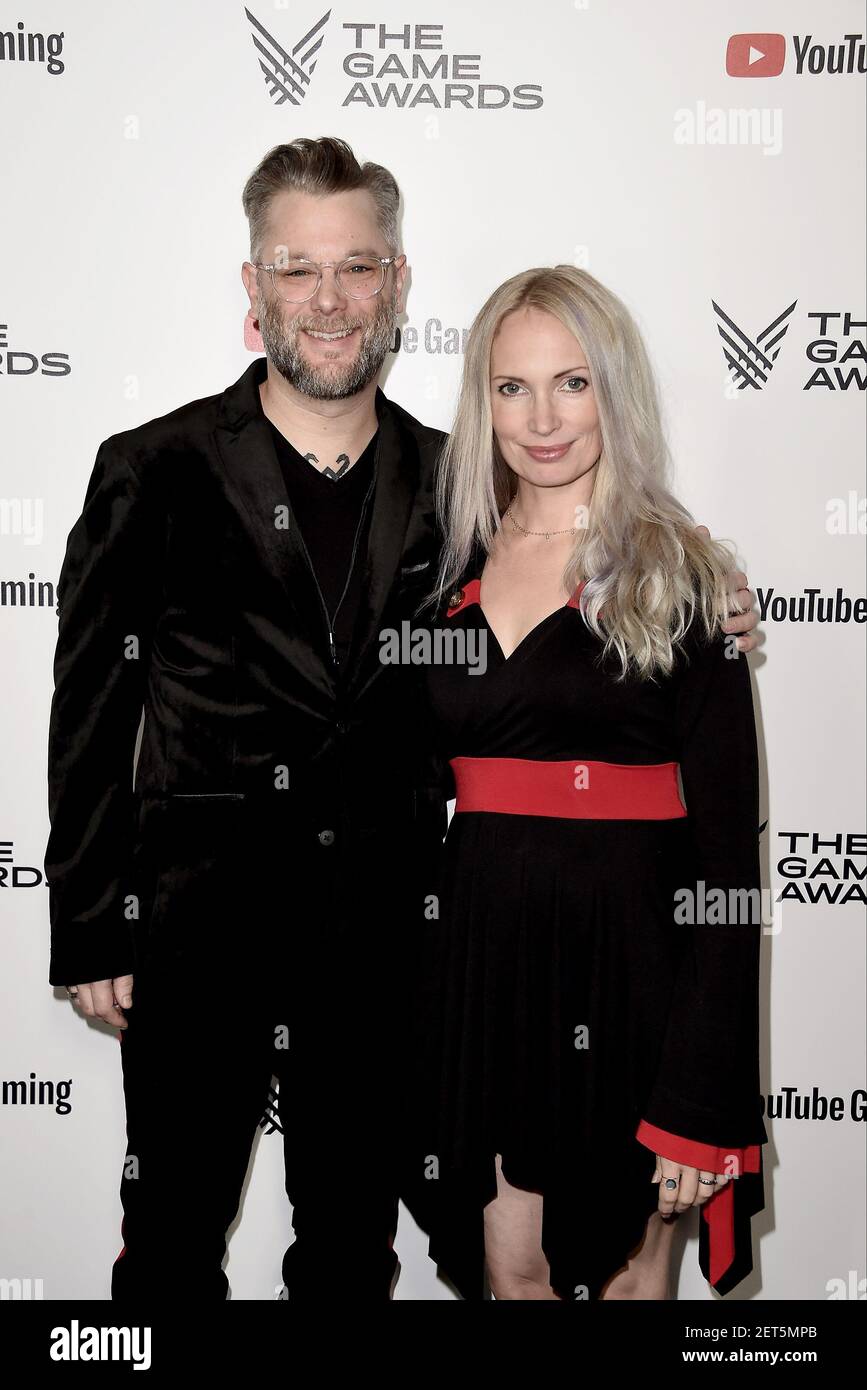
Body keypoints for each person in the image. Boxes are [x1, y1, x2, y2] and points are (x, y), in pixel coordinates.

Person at [43, 137, 759, 1301]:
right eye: (297, 268)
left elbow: (590, 556)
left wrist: (704, 579)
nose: (329, 301)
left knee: (348, 1252)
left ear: (399, 283)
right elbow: (89, 709)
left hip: (385, 949)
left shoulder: (456, 488)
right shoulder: (154, 467)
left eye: (358, 268)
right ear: (253, 287)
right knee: (169, 1239)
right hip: (195, 935)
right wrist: (89, 920)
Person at [401, 264, 767, 1301]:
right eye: (512, 388)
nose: (543, 419)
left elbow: (727, 862)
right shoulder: (442, 572)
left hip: (637, 980)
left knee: (626, 1289)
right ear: (481, 403)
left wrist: (702, 1093)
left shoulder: (681, 575)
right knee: (508, 1282)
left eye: (573, 383)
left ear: (616, 390)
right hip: (481, 981)